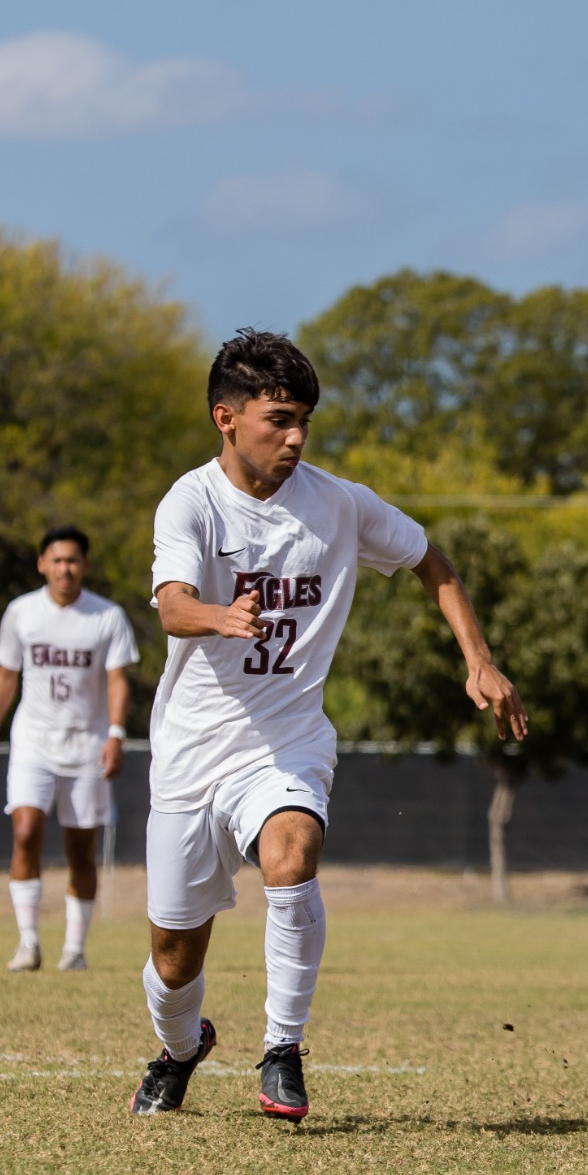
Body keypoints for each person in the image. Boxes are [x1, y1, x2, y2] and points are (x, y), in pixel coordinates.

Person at [130, 328, 528, 1121]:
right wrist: (219, 615)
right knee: (173, 959)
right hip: (191, 752)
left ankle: (283, 1048)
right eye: (278, 419)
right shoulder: (190, 501)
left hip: (287, 740)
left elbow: (432, 561)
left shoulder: (338, 503)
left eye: (305, 421)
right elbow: (171, 605)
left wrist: (479, 659)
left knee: (293, 853)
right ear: (226, 417)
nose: (296, 438)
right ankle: (180, 1047)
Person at [0, 526, 138, 973]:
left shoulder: (107, 616)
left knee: (80, 847)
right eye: (57, 560)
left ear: (84, 565)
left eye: (72, 560)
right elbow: (6, 676)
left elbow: (117, 680)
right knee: (26, 831)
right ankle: (28, 942)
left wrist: (116, 734)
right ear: (42, 564)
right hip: (33, 741)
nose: (64, 568)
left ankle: (75, 949)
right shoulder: (21, 612)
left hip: (87, 744)